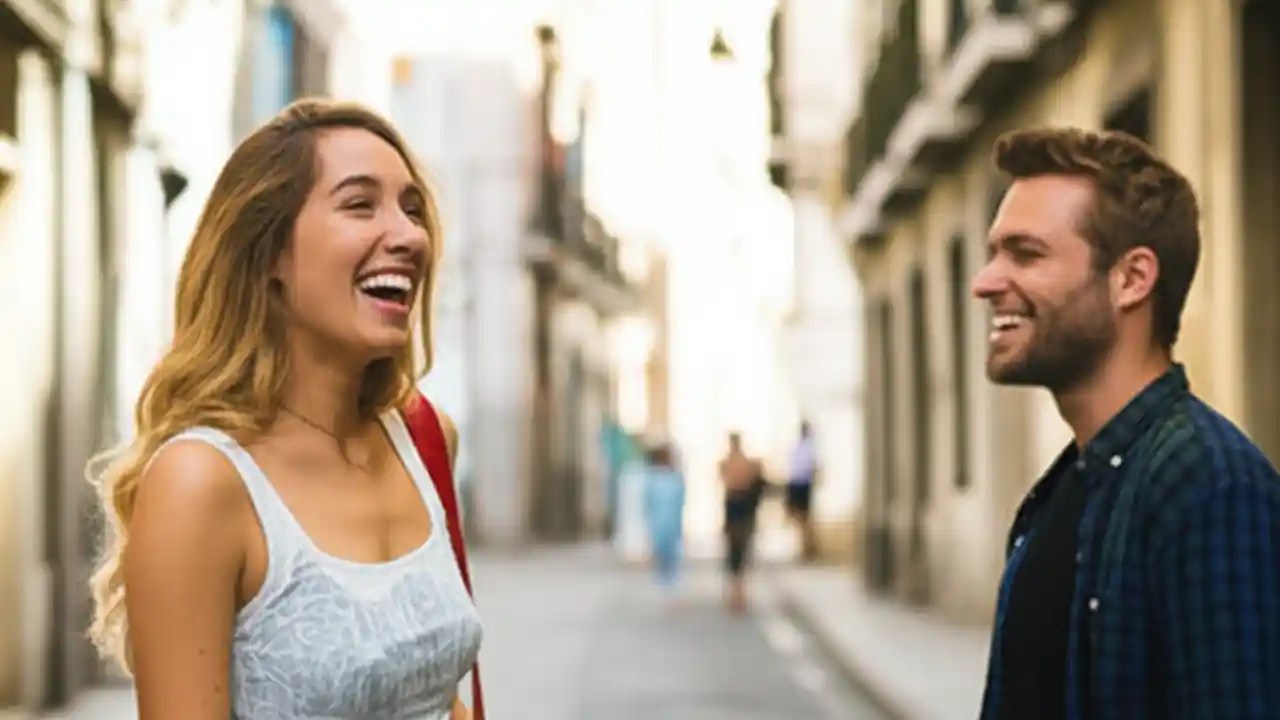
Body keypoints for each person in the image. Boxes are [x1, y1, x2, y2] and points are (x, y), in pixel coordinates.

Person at [87, 99, 483, 720]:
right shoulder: (201, 482)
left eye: (411, 209)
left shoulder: (424, 437)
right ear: (269, 253)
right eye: (360, 204)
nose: (409, 235)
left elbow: (438, 697)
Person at [973, 127, 1280, 719]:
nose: (985, 282)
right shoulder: (1069, 487)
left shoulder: (1209, 484)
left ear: (1132, 279)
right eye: (993, 253)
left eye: (1025, 253)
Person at [719, 432, 765, 614]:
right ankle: (737, 592)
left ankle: (738, 592)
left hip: (741, 510)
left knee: (739, 553)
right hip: (737, 510)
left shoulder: (735, 465)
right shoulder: (742, 465)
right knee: (736, 553)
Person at [642, 439, 686, 602]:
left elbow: (680, 502)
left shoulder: (675, 477)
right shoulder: (652, 477)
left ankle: (671, 587)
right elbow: (647, 503)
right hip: (659, 522)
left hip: (671, 522)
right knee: (661, 552)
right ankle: (663, 586)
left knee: (672, 553)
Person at [786, 421, 819, 561]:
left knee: (803, 518)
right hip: (798, 483)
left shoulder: (806, 447)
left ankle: (808, 549)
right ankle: (805, 547)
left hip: (802, 483)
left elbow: (813, 467)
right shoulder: (802, 447)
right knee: (799, 517)